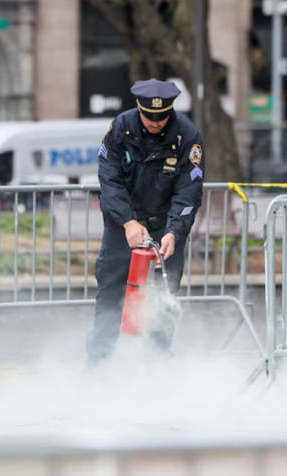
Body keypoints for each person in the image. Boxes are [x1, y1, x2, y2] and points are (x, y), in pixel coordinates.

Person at [86, 78, 205, 366]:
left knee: (164, 296)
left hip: (166, 227)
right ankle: (98, 365)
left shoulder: (186, 135)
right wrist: (128, 222)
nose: (155, 122)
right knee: (111, 292)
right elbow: (109, 182)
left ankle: (157, 364)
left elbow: (188, 191)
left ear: (170, 110)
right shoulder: (120, 129)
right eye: (149, 117)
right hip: (123, 227)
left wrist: (174, 231)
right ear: (139, 109)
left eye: (162, 116)